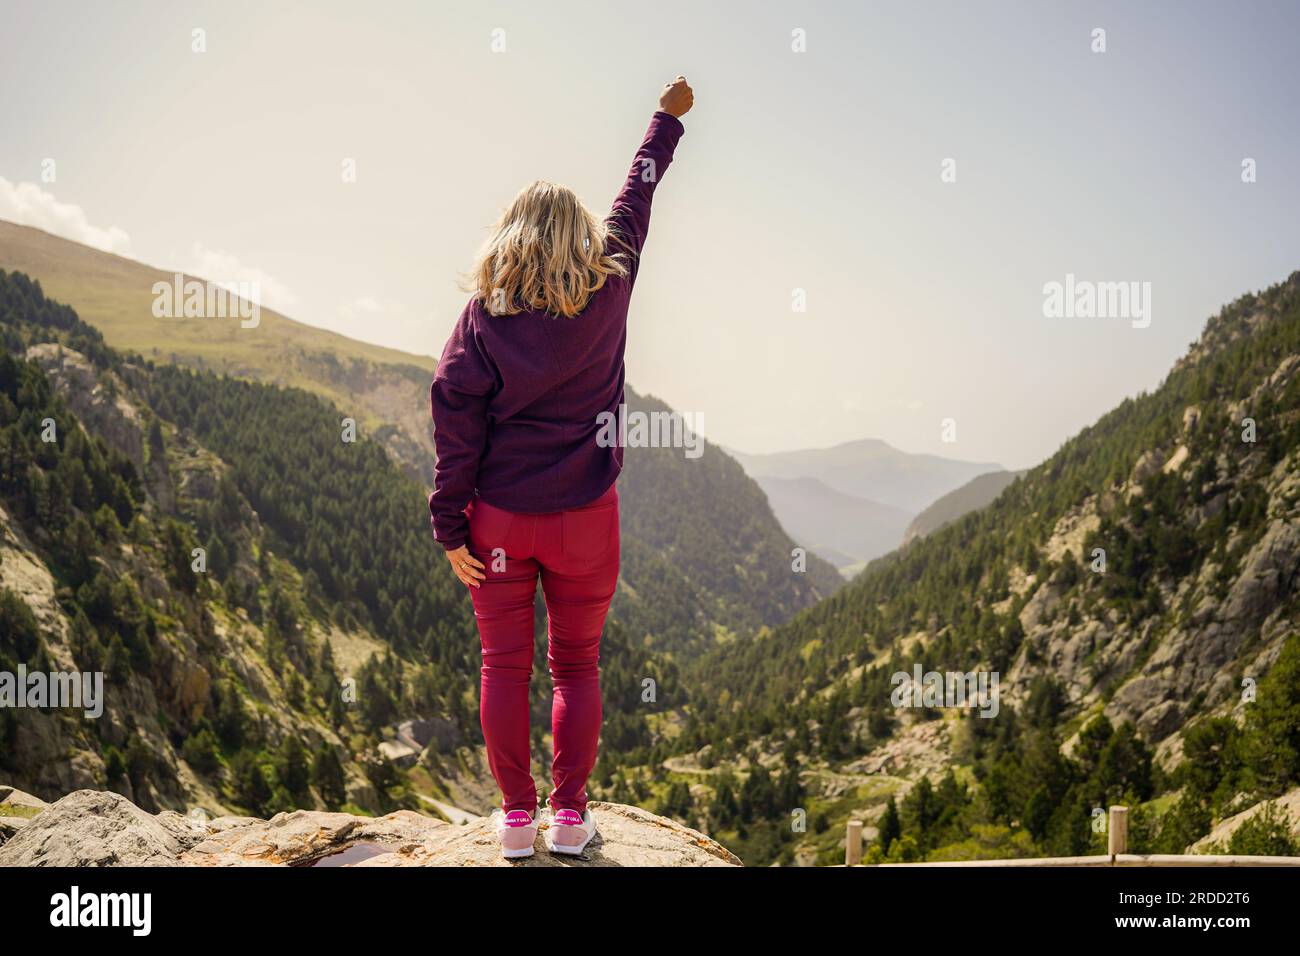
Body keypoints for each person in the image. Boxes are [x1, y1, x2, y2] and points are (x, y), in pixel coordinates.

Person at [428, 77, 694, 858]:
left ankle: (515, 821)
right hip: (586, 517)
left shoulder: (483, 315)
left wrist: (451, 526)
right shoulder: (609, 287)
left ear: (508, 236)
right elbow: (636, 197)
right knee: (576, 666)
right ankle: (571, 818)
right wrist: (665, 122)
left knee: (503, 666)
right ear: (579, 235)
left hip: (499, 521)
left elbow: (454, 412)